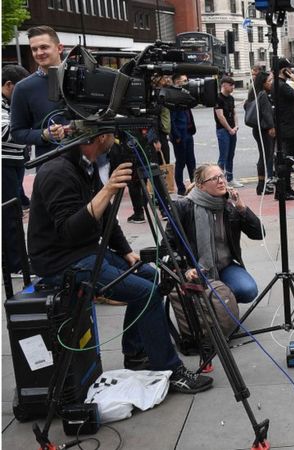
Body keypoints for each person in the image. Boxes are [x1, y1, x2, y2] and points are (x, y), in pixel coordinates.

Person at [27, 132, 213, 393]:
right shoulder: (58, 172)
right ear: (98, 137)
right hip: (61, 261)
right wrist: (108, 189)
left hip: (87, 251)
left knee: (151, 277)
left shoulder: (86, 165)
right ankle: (171, 371)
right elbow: (69, 230)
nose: (114, 140)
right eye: (111, 135)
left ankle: (135, 353)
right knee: (144, 292)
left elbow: (105, 217)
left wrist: (125, 251)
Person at [166, 163, 265, 303]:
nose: (221, 181)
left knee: (248, 290)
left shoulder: (229, 206)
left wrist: (242, 208)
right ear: (200, 186)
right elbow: (167, 246)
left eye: (222, 176)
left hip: (225, 266)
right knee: (211, 296)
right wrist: (185, 270)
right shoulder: (184, 207)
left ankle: (219, 298)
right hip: (196, 269)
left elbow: (259, 234)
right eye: (214, 179)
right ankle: (212, 300)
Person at [9, 26, 68, 158]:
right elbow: (17, 132)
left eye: (44, 47)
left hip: (92, 161)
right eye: (34, 49)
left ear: (59, 48)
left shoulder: (84, 77)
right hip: (51, 165)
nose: (39, 53)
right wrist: (44, 134)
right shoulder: (23, 88)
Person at [2, 64, 31, 277]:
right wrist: (26, 128)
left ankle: (17, 257)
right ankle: (14, 264)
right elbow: (6, 133)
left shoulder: (10, 104)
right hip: (4, 162)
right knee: (10, 214)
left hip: (15, 161)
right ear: (8, 85)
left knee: (14, 212)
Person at [273, 58, 294, 201]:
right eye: (290, 69)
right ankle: (282, 191)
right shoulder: (281, 85)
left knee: (288, 161)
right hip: (288, 128)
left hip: (287, 127)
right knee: (287, 160)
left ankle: (286, 188)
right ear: (284, 70)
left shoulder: (279, 84)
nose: (292, 72)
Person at [246, 71, 276, 195]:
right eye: (269, 81)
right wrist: (271, 127)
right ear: (263, 83)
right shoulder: (262, 94)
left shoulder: (254, 93)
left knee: (264, 156)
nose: (271, 83)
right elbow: (267, 112)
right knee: (265, 156)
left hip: (258, 129)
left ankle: (262, 185)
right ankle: (261, 186)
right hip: (264, 130)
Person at [170, 74, 197, 196]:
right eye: (184, 81)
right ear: (177, 82)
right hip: (180, 135)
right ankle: (181, 188)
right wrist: (176, 136)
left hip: (188, 133)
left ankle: (194, 184)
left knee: (191, 161)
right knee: (180, 162)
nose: (187, 83)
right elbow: (172, 121)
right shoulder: (174, 97)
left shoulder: (185, 95)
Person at [214, 76, 241, 187]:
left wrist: (236, 126)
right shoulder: (218, 98)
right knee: (223, 156)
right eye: (231, 85)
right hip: (223, 130)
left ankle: (230, 178)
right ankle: (219, 181)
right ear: (224, 85)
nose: (233, 87)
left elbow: (234, 113)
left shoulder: (231, 98)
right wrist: (229, 129)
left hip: (232, 130)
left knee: (231, 155)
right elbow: (220, 116)